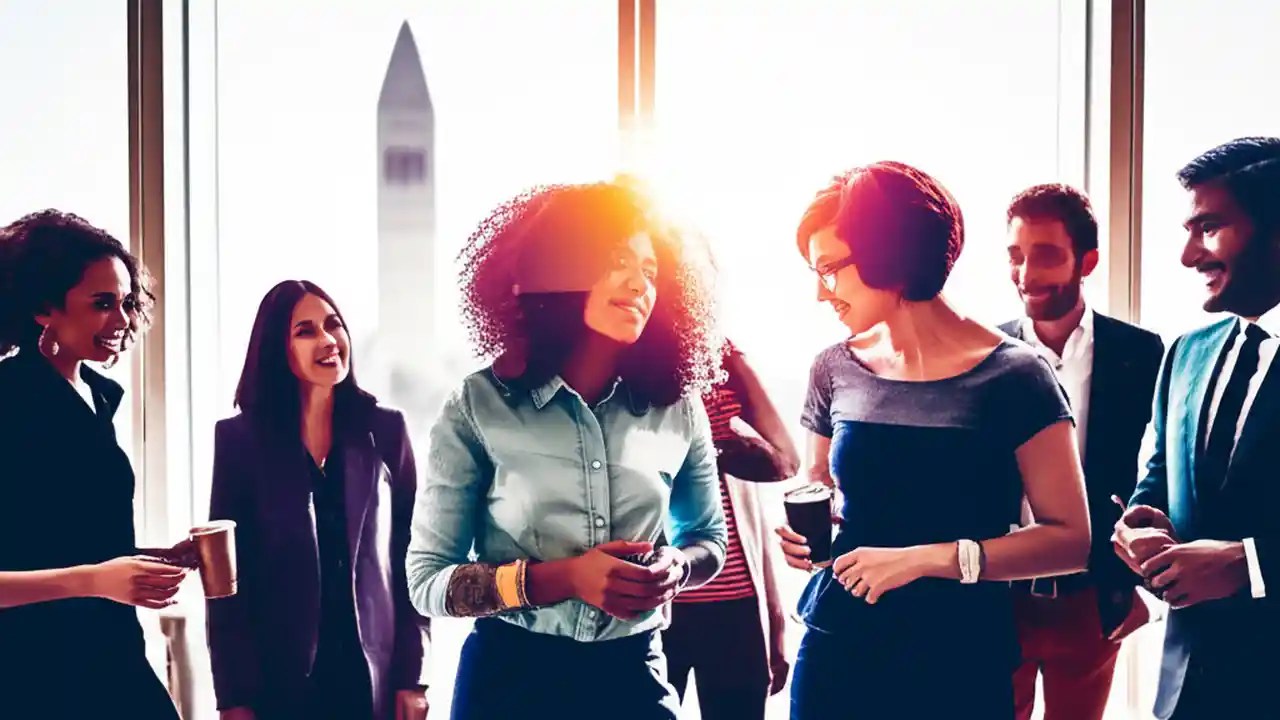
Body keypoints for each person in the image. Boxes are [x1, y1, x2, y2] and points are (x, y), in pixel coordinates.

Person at [776, 163, 1091, 719]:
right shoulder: (832, 368)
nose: (821, 293)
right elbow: (817, 479)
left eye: (829, 269)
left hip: (960, 652)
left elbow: (1071, 541)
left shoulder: (1017, 376)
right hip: (839, 644)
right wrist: (804, 534)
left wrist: (925, 560)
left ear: (887, 254)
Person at [406, 181, 727, 720]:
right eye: (617, 261)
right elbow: (427, 582)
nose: (639, 282)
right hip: (509, 685)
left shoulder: (678, 409)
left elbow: (707, 540)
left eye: (651, 270)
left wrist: (676, 566)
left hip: (634, 679)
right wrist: (566, 578)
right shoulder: (479, 406)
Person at [206, 280, 428, 720]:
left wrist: (413, 676)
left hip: (371, 676)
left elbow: (412, 557)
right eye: (305, 331)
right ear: (278, 348)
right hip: (279, 681)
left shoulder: (385, 430)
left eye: (333, 325)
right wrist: (233, 698)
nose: (327, 340)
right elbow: (225, 582)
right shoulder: (239, 440)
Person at [0, 209, 192, 718]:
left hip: (110, 657)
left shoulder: (97, 397)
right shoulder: (8, 402)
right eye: (103, 303)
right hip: (34, 675)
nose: (123, 320)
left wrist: (155, 560)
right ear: (43, 308)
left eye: (126, 302)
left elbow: (62, 539)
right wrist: (94, 580)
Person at [1114, 137, 1280, 719]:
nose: (1188, 256)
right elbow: (1156, 485)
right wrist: (1138, 529)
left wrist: (1250, 565)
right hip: (1188, 694)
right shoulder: (1185, 353)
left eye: (1209, 228)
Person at [998, 184, 1164, 720]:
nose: (1025, 274)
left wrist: (1134, 588)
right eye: (1016, 255)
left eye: (1045, 255)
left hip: (1092, 600)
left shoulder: (1140, 352)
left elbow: (1160, 472)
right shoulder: (984, 352)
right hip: (998, 596)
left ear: (1087, 261)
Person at [664, 339, 798, 720]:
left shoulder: (722, 358)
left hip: (735, 602)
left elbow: (787, 461)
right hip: (654, 599)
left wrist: (775, 623)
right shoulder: (620, 360)